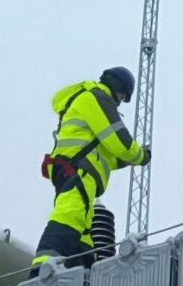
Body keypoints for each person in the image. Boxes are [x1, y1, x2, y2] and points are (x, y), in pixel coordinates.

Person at [34, 67, 151, 272]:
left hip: (75, 170)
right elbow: (119, 141)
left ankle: (81, 271)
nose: (121, 100)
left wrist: (128, 160)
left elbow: (106, 157)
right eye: (123, 95)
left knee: (83, 232)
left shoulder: (90, 101)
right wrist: (141, 156)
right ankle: (43, 268)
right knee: (69, 216)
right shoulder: (98, 98)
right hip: (78, 172)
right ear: (117, 86)